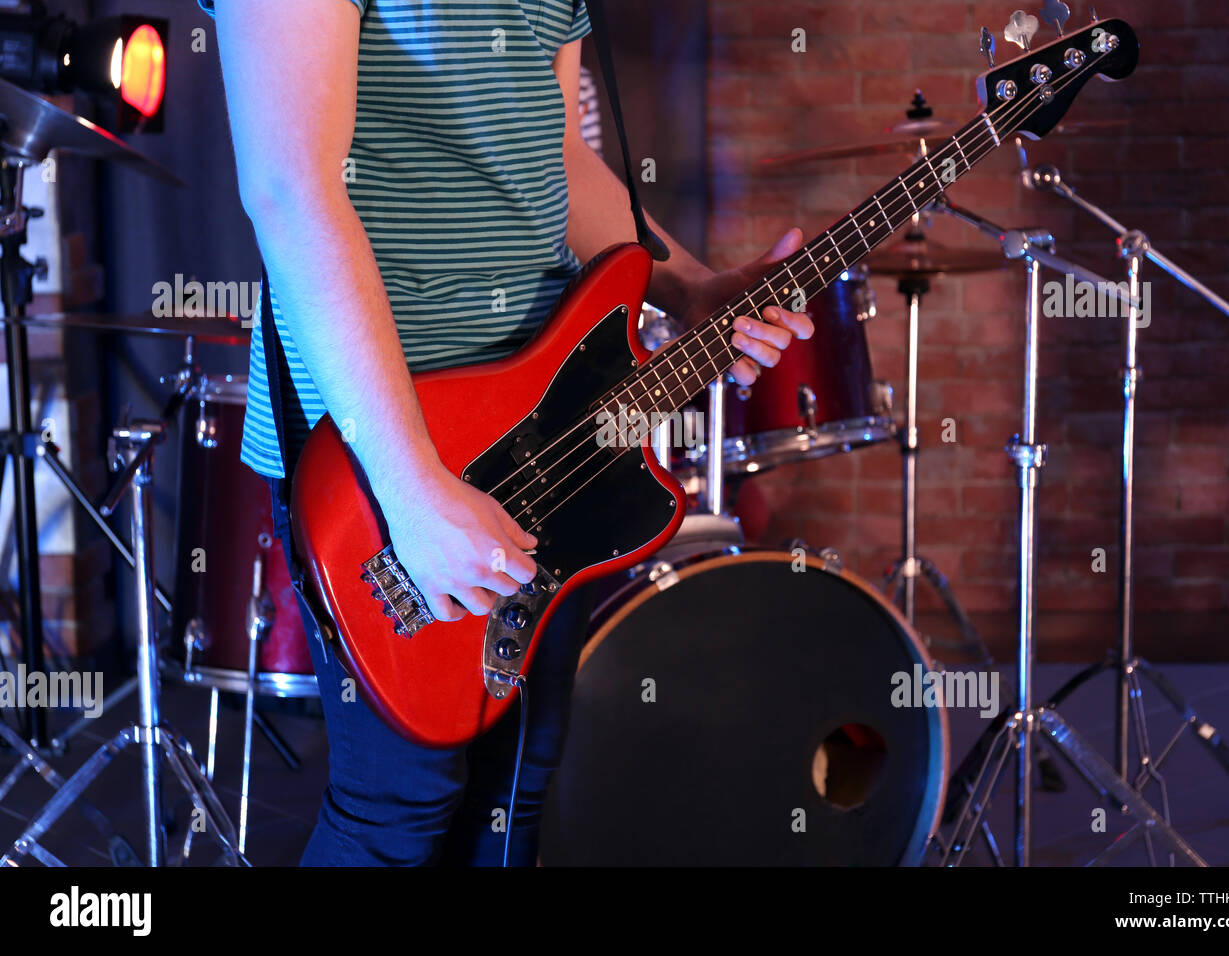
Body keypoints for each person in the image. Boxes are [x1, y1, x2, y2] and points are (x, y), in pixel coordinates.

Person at [205, 0, 812, 865]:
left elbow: (556, 155)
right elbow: (289, 188)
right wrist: (412, 488)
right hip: (384, 436)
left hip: (547, 410)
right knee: (399, 807)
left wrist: (692, 289)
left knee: (515, 786)